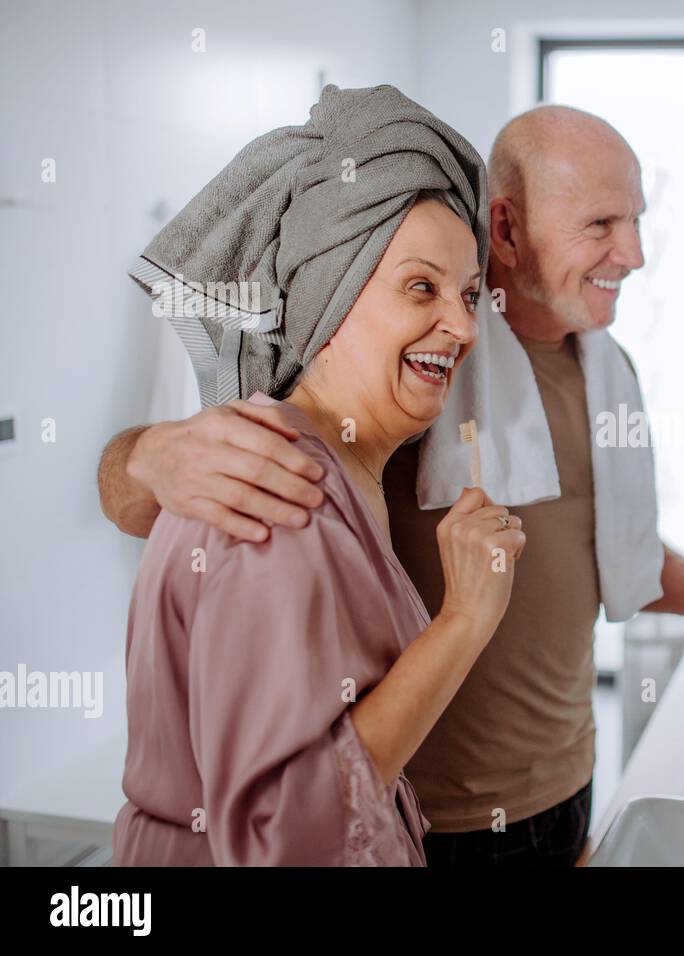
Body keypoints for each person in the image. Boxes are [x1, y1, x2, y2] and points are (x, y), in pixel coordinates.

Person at [100, 104, 684, 868]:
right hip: (430, 820)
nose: (633, 253)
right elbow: (173, 499)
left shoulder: (607, 371)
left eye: (637, 220)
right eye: (601, 224)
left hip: (566, 786)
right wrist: (149, 456)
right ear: (504, 230)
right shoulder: (407, 380)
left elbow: (598, 545)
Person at [108, 85, 524, 866]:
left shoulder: (340, 468)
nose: (465, 327)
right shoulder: (276, 491)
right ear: (327, 300)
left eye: (469, 296)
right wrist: (465, 620)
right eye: (421, 287)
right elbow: (292, 833)